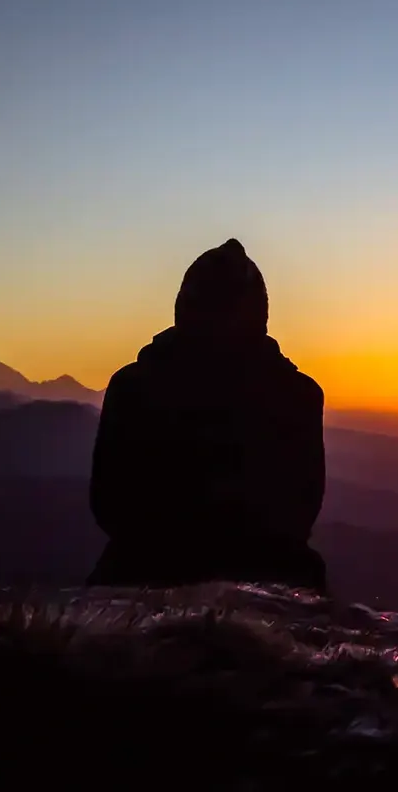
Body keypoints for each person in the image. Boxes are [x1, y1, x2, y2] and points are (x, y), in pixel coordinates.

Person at [87, 238, 328, 590]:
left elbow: (109, 503)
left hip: (146, 567)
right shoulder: (299, 396)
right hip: (267, 572)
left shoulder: (132, 387)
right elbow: (299, 512)